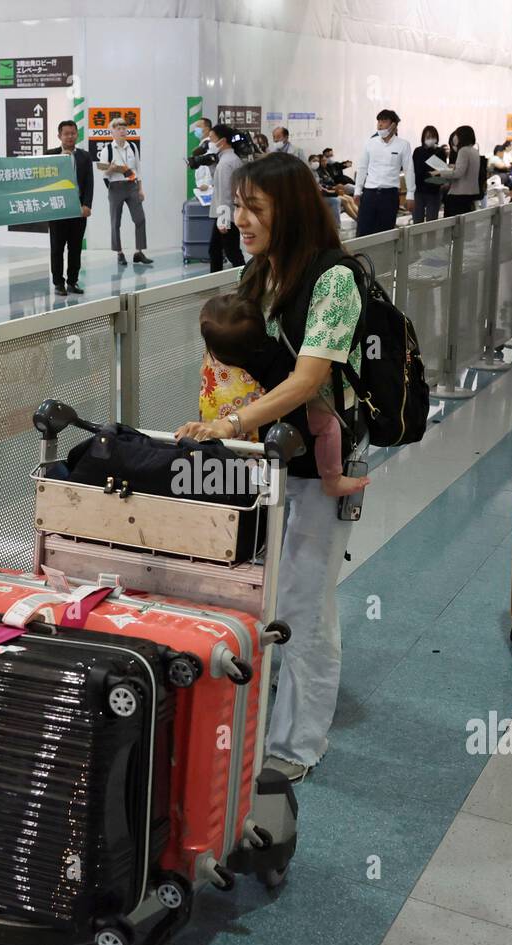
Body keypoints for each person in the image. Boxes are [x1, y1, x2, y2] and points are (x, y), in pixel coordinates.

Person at [177, 152, 364, 780]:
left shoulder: (334, 279)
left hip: (315, 461)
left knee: (307, 608)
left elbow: (310, 378)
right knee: (264, 596)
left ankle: (297, 744)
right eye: (238, 205)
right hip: (262, 463)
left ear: (292, 210)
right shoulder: (262, 271)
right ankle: (259, 721)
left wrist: (232, 424)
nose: (242, 219)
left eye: (255, 207)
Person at [199, 293, 370, 501]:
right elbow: (295, 388)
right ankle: (332, 479)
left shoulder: (211, 361)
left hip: (226, 439)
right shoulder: (271, 357)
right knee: (329, 424)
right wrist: (319, 375)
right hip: (267, 435)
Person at [45, 119, 94, 296]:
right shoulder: (49, 155)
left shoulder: (84, 156)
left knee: (75, 248)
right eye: (66, 133)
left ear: (77, 135)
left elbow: (89, 183)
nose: (70, 136)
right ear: (59, 136)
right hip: (57, 209)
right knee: (57, 248)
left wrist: (87, 204)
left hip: (78, 209)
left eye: (73, 133)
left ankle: (73, 281)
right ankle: (58, 283)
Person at [96, 117, 152, 267]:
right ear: (112, 131)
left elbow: (138, 170)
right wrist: (110, 169)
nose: (122, 130)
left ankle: (138, 252)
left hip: (132, 186)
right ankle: (119, 253)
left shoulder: (133, 147)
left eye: (124, 128)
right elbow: (104, 173)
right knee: (116, 222)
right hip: (115, 188)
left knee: (140, 219)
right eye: (118, 128)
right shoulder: (107, 150)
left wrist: (140, 189)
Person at [354, 109, 413, 235]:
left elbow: (409, 170)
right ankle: (360, 255)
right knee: (363, 231)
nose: (380, 124)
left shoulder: (403, 145)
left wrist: (410, 194)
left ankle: (382, 255)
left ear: (393, 125)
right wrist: (357, 191)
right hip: (369, 193)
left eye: (384, 121)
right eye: (379, 121)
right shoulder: (370, 143)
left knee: (385, 233)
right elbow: (362, 167)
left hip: (389, 195)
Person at [207, 124, 246, 272]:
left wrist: (223, 219)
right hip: (229, 214)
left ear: (222, 141)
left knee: (231, 252)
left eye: (211, 139)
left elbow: (225, 192)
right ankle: (216, 282)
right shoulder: (230, 159)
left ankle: (245, 280)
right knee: (218, 250)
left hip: (226, 216)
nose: (209, 143)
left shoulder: (226, 163)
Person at [435, 126, 481, 216]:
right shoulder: (475, 151)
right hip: (471, 192)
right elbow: (467, 169)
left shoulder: (463, 151)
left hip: (459, 194)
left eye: (456, 134)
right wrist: (454, 166)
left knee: (453, 224)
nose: (455, 137)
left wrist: (441, 172)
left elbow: (458, 173)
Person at [411, 125, 446, 222]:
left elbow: (442, 172)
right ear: (423, 138)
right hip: (418, 191)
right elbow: (414, 170)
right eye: (428, 137)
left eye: (433, 137)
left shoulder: (440, 152)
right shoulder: (418, 151)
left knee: (432, 221)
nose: (430, 139)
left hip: (434, 192)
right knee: (417, 221)